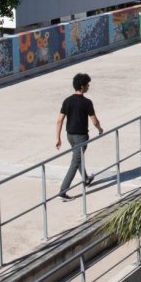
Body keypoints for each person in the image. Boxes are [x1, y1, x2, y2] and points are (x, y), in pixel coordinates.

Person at [54, 72, 103, 200]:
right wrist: (100, 129)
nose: (88, 87)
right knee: (75, 162)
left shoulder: (67, 101)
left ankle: (86, 179)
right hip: (81, 137)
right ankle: (62, 192)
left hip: (69, 135)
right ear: (82, 86)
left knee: (78, 157)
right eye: (87, 85)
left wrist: (58, 138)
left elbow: (59, 120)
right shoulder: (87, 103)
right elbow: (95, 121)